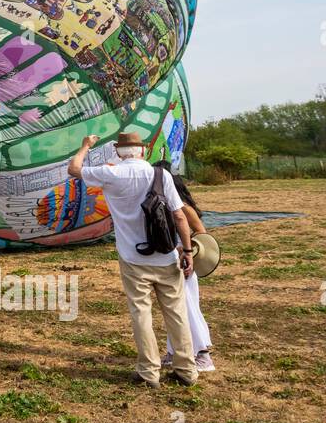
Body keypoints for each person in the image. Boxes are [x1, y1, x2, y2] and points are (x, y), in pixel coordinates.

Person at [69, 132, 197, 388]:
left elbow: (74, 169)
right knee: (177, 313)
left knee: (141, 313)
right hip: (166, 255)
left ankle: (149, 372)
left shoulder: (110, 174)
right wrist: (187, 250)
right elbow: (180, 216)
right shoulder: (161, 175)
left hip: (132, 257)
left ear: (118, 152)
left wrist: (85, 146)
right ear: (143, 150)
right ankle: (186, 370)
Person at [157, 161, 216, 372]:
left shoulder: (182, 206)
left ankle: (202, 354)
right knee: (175, 309)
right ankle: (175, 353)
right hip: (173, 260)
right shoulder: (167, 203)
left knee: (188, 308)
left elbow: (203, 234)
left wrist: (185, 249)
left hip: (185, 262)